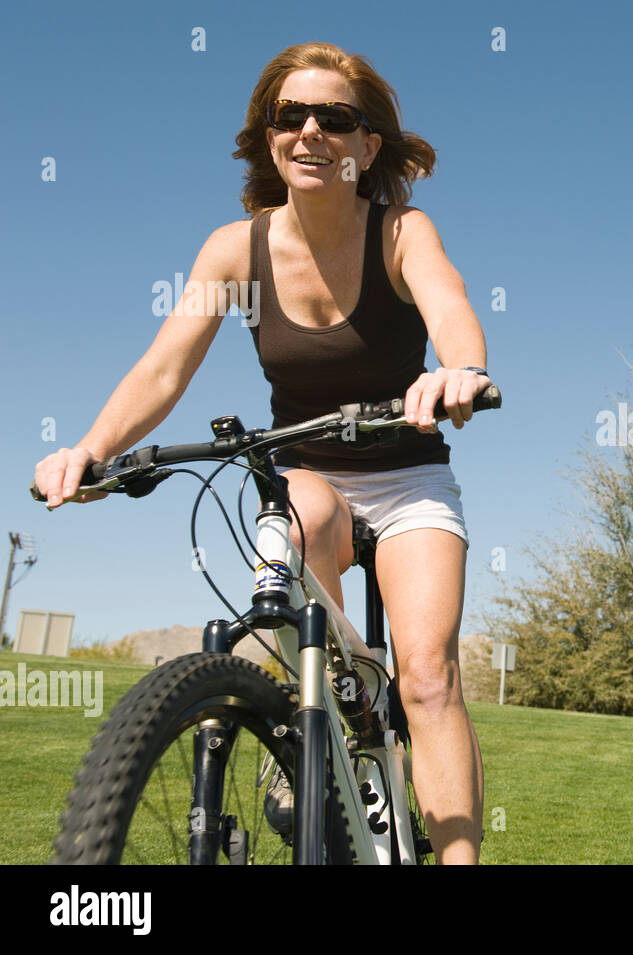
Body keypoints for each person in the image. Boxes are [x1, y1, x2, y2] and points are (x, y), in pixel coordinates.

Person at [32, 42, 492, 864]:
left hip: (407, 471)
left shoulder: (400, 232)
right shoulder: (233, 252)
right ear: (270, 136)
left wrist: (458, 370)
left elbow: (450, 306)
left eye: (336, 118)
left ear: (365, 146)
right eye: (292, 116)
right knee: (298, 522)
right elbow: (164, 366)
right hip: (306, 468)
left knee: (427, 676)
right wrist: (92, 451)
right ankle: (325, 709)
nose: (312, 131)